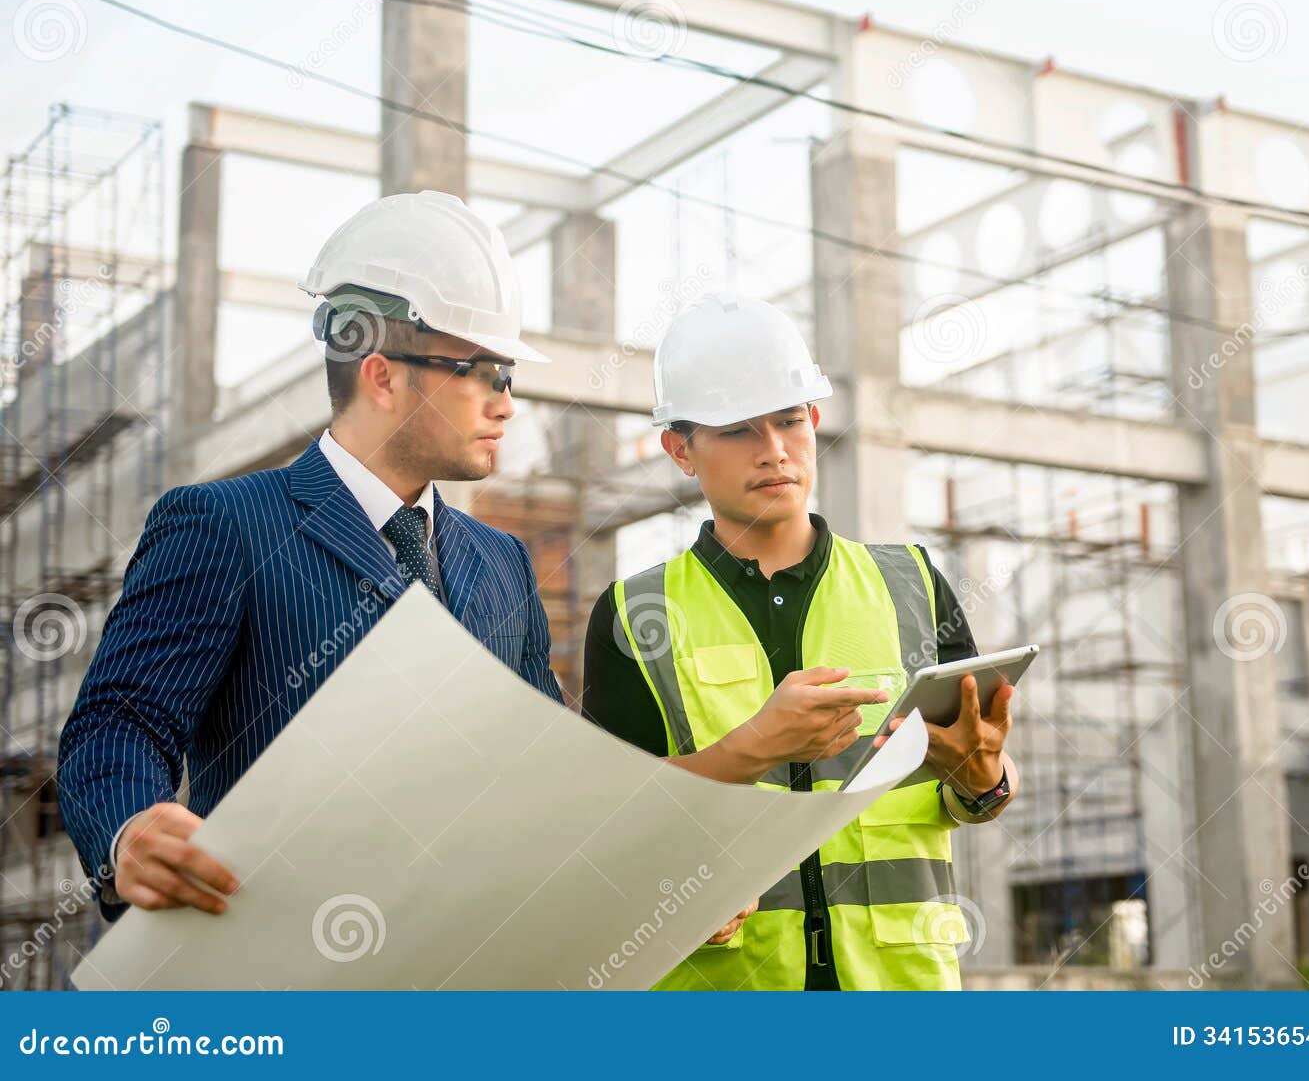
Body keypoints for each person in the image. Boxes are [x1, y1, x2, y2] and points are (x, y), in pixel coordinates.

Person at [56, 190, 566, 921]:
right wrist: (131, 828)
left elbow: (547, 773)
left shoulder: (502, 563)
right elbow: (121, 720)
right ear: (383, 375)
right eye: (482, 372)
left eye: (508, 376)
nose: (507, 403)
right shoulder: (226, 527)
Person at [583, 293, 1020, 990]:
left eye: (789, 421)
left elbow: (980, 790)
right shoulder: (635, 614)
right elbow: (612, 821)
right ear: (680, 450)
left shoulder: (912, 584)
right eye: (738, 431)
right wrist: (753, 749)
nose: (775, 451)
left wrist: (985, 778)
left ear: (814, 420)